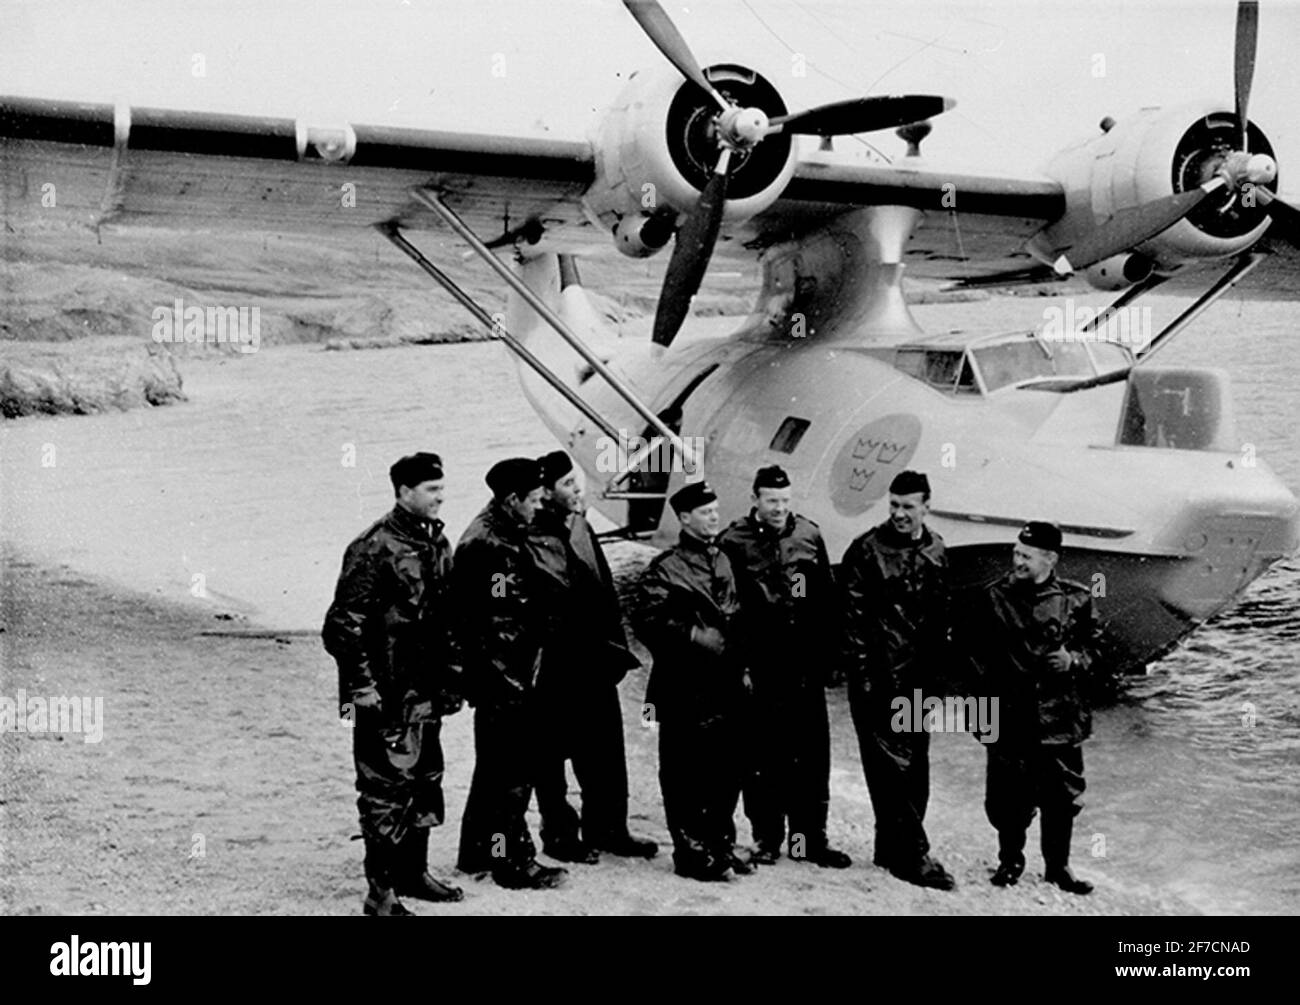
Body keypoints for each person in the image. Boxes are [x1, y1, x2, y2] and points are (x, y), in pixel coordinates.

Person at [323, 451, 466, 916]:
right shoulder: (373, 546)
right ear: (404, 492)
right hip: (386, 691)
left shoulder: (436, 544)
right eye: (431, 490)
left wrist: (454, 676)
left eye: (442, 488)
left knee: (425, 780)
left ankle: (413, 872)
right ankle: (380, 891)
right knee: (385, 790)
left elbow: (447, 620)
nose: (440, 498)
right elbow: (343, 625)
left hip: (425, 691)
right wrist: (362, 688)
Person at [718, 464, 851, 869]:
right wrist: (737, 666)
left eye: (785, 501)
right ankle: (767, 837)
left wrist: (831, 658)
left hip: (802, 663)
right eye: (772, 501)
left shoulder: (808, 535)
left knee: (811, 755)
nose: (779, 509)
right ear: (755, 499)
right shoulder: (733, 542)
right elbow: (727, 610)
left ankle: (810, 838)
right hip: (760, 664)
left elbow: (826, 601)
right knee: (762, 754)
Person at [528, 449, 658, 863]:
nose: (578, 490)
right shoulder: (529, 536)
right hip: (554, 665)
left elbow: (603, 588)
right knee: (550, 756)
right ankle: (560, 835)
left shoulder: (581, 525)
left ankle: (608, 829)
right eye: (568, 484)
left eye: (577, 481)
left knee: (604, 752)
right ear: (546, 492)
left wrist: (616, 649)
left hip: (596, 661)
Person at [963, 521, 1105, 895]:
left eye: (1026, 555)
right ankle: (1010, 860)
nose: (1017, 561)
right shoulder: (992, 597)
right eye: (1016, 553)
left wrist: (1074, 660)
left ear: (1050, 558)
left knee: (1062, 797)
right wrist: (980, 716)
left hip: (1058, 717)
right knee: (1006, 799)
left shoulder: (1077, 598)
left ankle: (1058, 868)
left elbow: (1099, 651)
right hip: (1009, 716)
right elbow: (970, 658)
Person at [453, 457, 567, 891]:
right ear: (512, 499)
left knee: (494, 771)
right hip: (506, 677)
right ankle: (511, 862)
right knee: (511, 777)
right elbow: (499, 619)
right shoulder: (493, 545)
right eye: (535, 500)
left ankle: (477, 851)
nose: (539, 507)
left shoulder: (497, 531)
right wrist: (517, 682)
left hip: (503, 675)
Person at [840, 469, 956, 890]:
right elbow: (850, 622)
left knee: (916, 766)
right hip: (879, 678)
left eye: (908, 506)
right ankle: (912, 854)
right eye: (894, 505)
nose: (900, 514)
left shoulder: (938, 550)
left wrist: (940, 678)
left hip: (918, 679)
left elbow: (943, 618)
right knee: (891, 767)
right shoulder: (866, 550)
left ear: (927, 506)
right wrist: (865, 676)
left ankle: (891, 846)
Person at [634, 481, 752, 883]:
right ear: (684, 519)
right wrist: (692, 636)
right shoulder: (667, 567)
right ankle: (691, 851)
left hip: (726, 684)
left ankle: (720, 843)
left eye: (716, 510)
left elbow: (736, 616)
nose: (714, 517)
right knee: (686, 772)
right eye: (705, 512)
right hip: (686, 687)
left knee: (728, 769)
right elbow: (647, 621)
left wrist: (744, 666)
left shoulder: (723, 559)